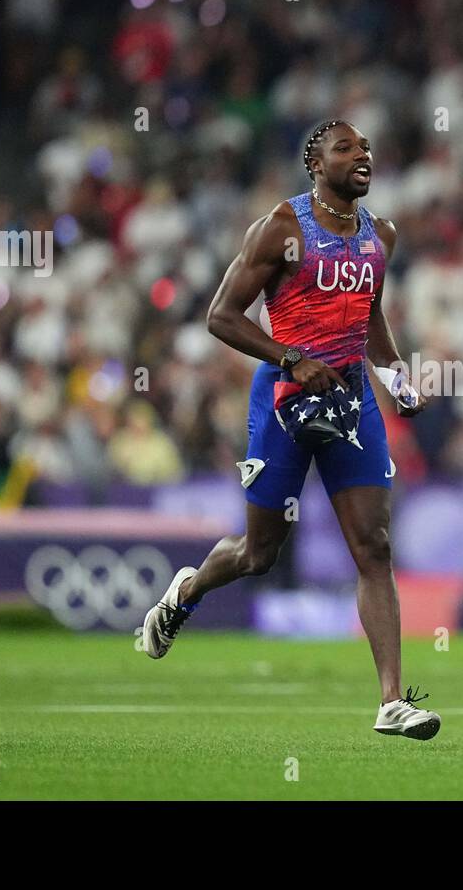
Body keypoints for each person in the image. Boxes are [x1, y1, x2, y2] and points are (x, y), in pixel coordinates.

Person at [140, 120, 440, 740]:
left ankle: (391, 701)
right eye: (346, 148)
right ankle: (185, 594)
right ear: (315, 164)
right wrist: (291, 358)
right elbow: (220, 316)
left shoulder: (379, 235)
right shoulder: (281, 228)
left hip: (351, 402)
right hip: (284, 399)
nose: (363, 155)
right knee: (259, 554)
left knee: (375, 546)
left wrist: (395, 375)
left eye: (366, 148)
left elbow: (370, 317)